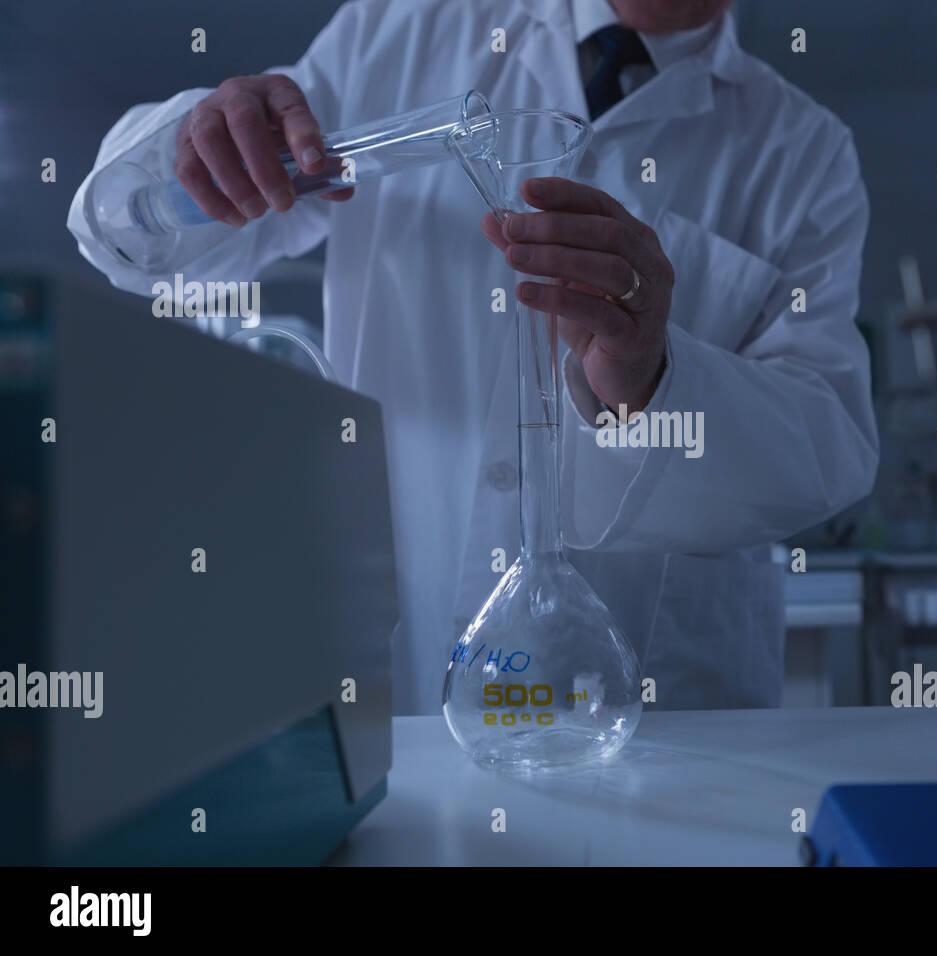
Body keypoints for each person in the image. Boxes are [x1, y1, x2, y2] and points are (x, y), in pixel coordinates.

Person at [68, 0, 879, 713]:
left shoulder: (806, 152)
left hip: (666, 718)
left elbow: (828, 439)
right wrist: (194, 148)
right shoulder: (393, 32)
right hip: (397, 682)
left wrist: (652, 379)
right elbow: (149, 241)